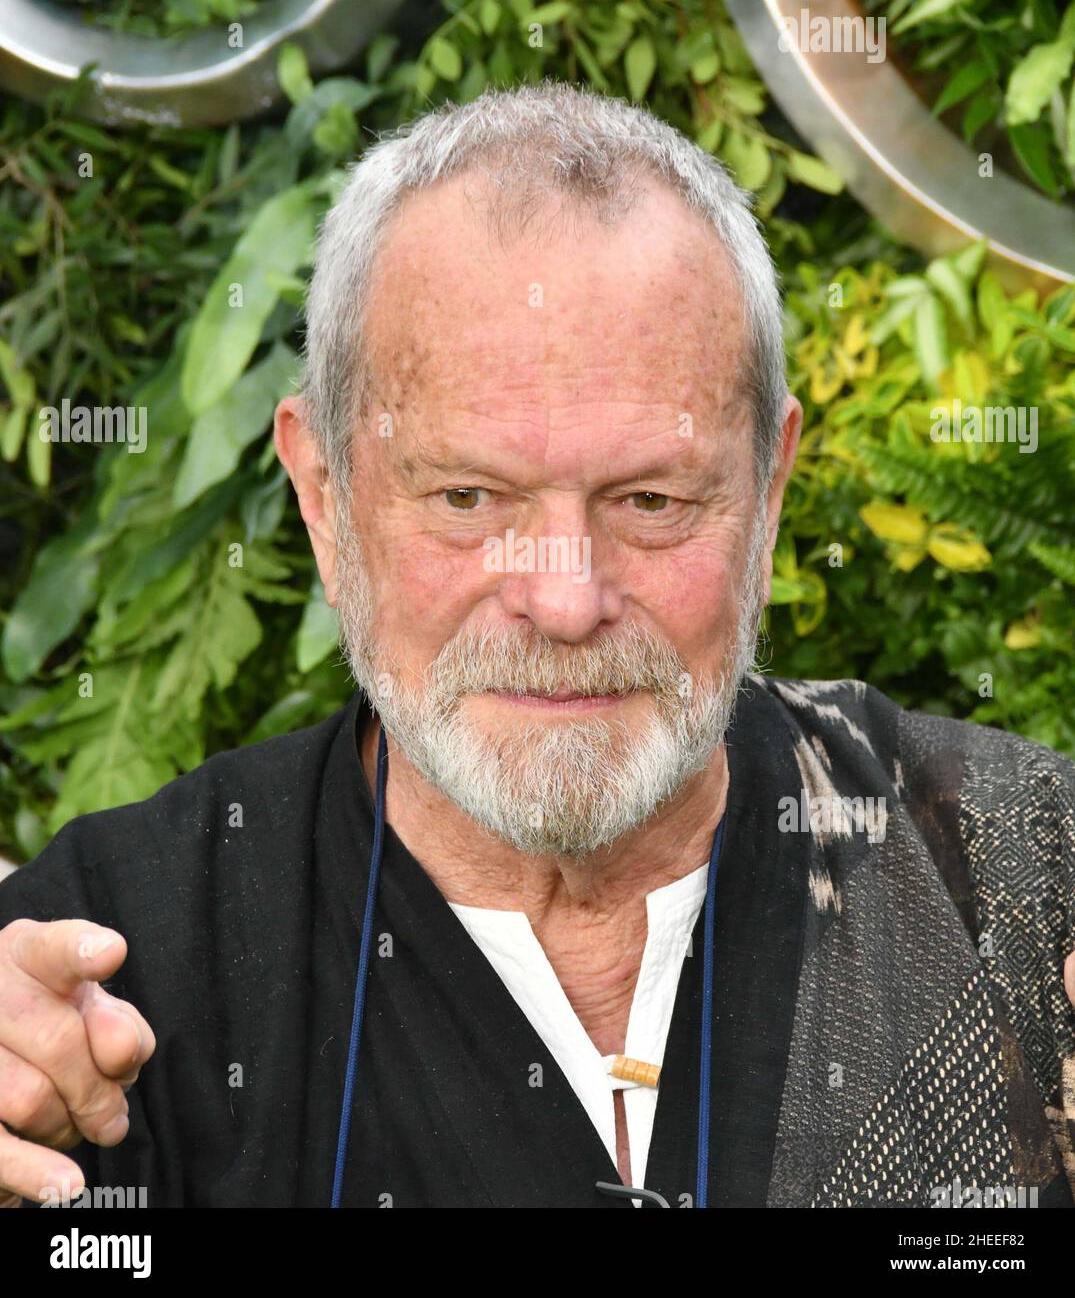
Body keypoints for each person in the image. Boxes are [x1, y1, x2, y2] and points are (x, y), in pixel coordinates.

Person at [1, 80, 1073, 1209]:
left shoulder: (1020, 879)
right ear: (324, 492)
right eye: (468, 497)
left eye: (651, 501)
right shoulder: (100, 985)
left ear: (768, 494)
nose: (565, 602)